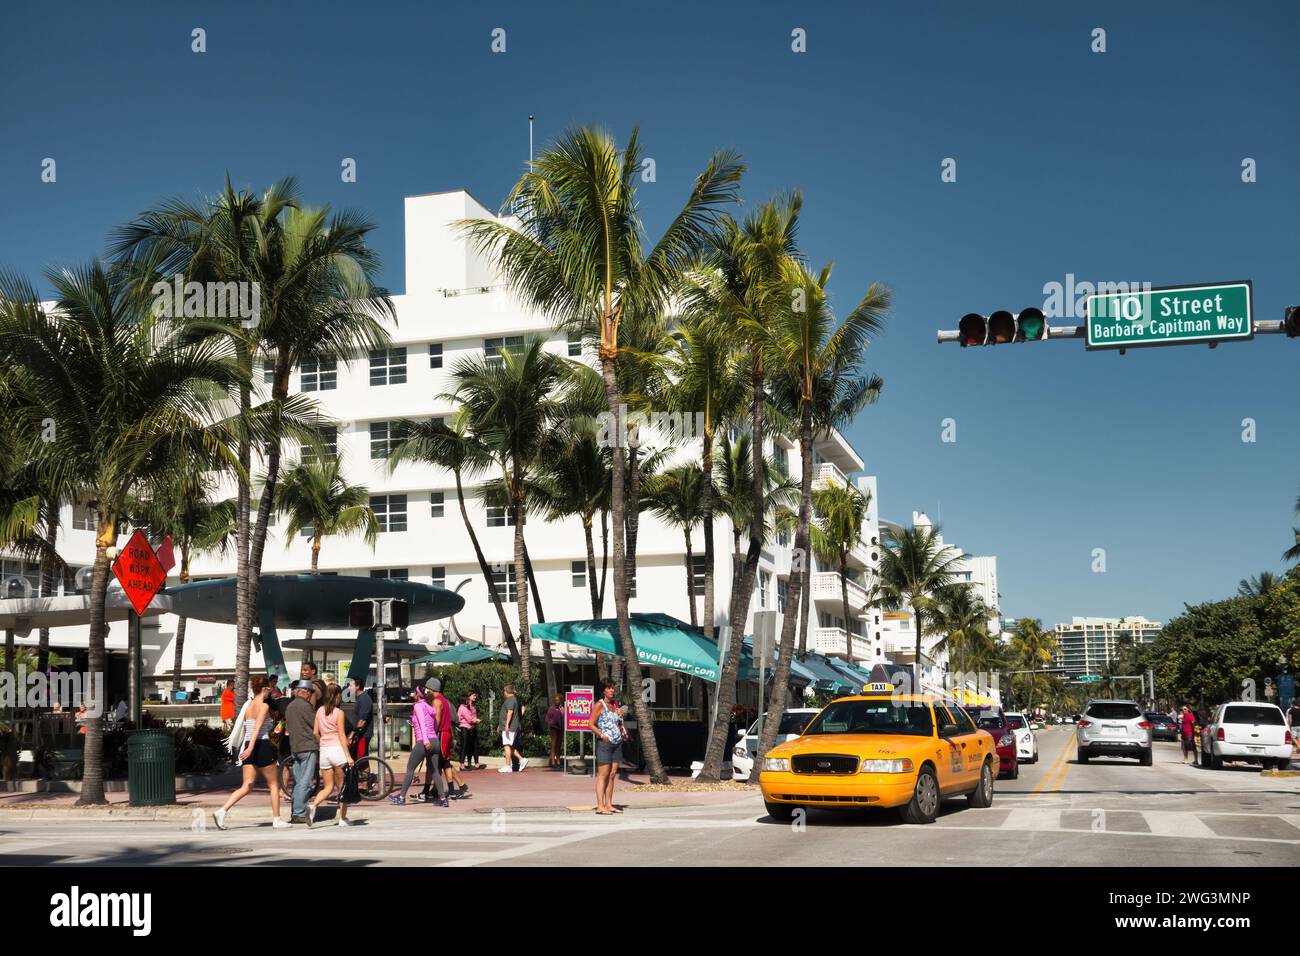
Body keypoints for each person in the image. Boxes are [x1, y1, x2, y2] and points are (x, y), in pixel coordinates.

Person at [215, 675, 287, 829]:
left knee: (247, 785)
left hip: (250, 745)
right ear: (265, 689)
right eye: (269, 689)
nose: (270, 692)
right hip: (260, 745)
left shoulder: (248, 705)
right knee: (274, 784)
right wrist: (250, 748)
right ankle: (277, 819)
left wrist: (248, 747)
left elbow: (249, 728)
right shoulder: (264, 706)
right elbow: (256, 729)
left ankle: (222, 810)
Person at [391, 687, 448, 806]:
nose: (412, 694)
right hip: (435, 741)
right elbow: (433, 722)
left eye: (414, 693)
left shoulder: (418, 706)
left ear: (418, 695)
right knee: (435, 771)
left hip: (424, 741)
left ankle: (401, 797)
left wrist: (426, 740)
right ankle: (443, 799)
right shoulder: (428, 706)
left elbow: (422, 723)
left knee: (410, 769)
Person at [309, 684, 356, 827]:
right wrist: (348, 756)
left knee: (327, 787)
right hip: (337, 750)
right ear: (337, 696)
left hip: (324, 750)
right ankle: (342, 818)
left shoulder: (319, 711)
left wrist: (322, 742)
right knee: (342, 786)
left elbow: (315, 733)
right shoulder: (339, 713)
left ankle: (313, 806)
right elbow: (342, 735)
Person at [285, 679, 320, 824]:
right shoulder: (305, 706)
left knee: (298, 780)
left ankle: (296, 810)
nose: (310, 695)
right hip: (307, 746)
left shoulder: (290, 706)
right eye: (310, 692)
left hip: (295, 747)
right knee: (305, 781)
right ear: (303, 691)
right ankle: (299, 812)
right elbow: (315, 724)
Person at [426, 679, 468, 799]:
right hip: (447, 733)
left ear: (432, 689)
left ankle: (451, 790)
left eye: (427, 689)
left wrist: (431, 733)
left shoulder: (437, 701)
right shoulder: (445, 700)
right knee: (442, 763)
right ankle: (441, 789)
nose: (426, 691)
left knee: (443, 763)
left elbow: (437, 720)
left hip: (442, 733)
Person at [588, 678, 625, 815]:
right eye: (609, 688)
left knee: (612, 774)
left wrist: (620, 714)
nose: (611, 690)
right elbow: (590, 723)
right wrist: (601, 735)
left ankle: (609, 804)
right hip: (605, 743)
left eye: (612, 688)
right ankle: (600, 806)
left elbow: (617, 724)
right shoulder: (600, 704)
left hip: (617, 743)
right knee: (603, 775)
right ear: (603, 690)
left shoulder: (615, 705)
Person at [498, 684, 527, 773]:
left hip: (510, 728)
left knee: (506, 746)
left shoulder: (510, 700)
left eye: (504, 691)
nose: (503, 693)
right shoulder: (513, 699)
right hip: (510, 727)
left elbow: (510, 713)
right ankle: (521, 760)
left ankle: (508, 765)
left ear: (506, 692)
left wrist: (506, 725)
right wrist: (500, 725)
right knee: (509, 745)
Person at [350, 680, 373, 761]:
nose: (349, 688)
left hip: (363, 735)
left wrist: (352, 735)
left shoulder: (364, 699)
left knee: (362, 759)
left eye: (351, 686)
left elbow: (362, 721)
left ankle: (366, 774)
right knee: (359, 758)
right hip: (360, 734)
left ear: (357, 686)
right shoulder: (359, 698)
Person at [458, 692, 482, 769]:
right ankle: (462, 764)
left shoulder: (468, 707)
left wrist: (474, 721)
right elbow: (469, 719)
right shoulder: (463, 708)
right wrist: (476, 720)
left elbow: (471, 717)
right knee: (464, 746)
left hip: (470, 727)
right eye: (473, 695)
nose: (475, 697)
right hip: (465, 728)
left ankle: (471, 763)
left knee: (472, 746)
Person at [546, 693, 564, 769]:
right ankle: (553, 762)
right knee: (554, 744)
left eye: (558, 700)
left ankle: (558, 761)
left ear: (560, 700)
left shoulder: (562, 708)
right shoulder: (552, 708)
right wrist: (552, 723)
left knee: (559, 745)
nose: (556, 701)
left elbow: (563, 717)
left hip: (561, 728)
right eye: (555, 700)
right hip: (554, 728)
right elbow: (547, 718)